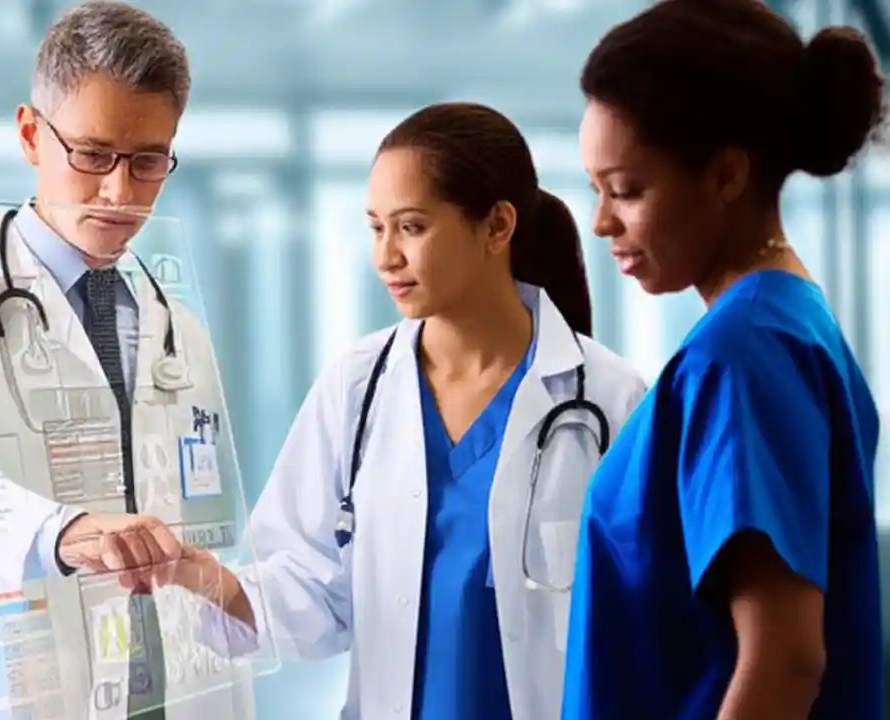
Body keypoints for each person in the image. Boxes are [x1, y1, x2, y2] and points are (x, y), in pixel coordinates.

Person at [169, 102, 647, 720]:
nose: (385, 256)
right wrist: (202, 577)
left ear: (497, 226)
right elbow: (310, 590)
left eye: (412, 228)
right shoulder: (357, 387)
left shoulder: (609, 399)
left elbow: (645, 613)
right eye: (376, 228)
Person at [0, 2, 252, 718]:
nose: (120, 192)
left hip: (173, 691)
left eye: (148, 161)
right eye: (92, 154)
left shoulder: (176, 329)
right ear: (32, 134)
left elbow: (208, 511)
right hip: (22, 692)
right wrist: (63, 531)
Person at [563, 1, 885, 718]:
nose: (602, 221)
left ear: (726, 175)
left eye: (627, 190)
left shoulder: (742, 354)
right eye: (596, 190)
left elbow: (784, 659)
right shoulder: (790, 321)